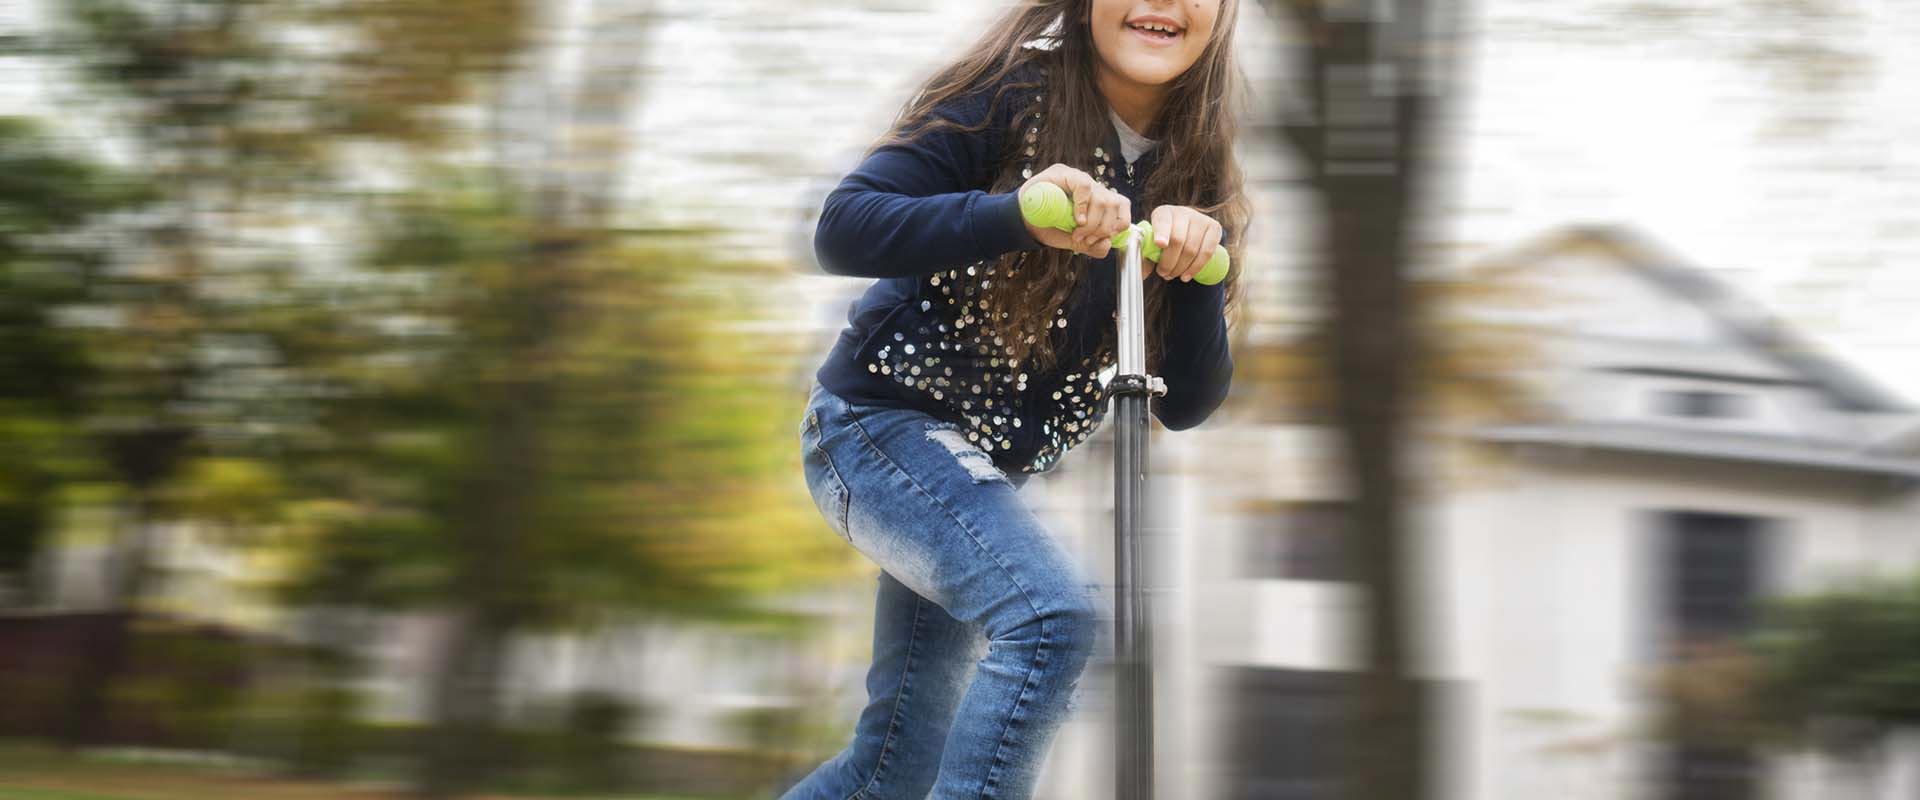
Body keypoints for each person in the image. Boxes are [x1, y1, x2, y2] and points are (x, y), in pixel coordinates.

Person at [785, 1, 1249, 797]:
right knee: (1051, 619)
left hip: (982, 480)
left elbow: (1186, 403)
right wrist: (1017, 214)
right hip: (876, 429)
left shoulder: (1196, 165)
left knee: (894, 773)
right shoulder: (1007, 97)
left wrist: (1200, 273)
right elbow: (844, 228)